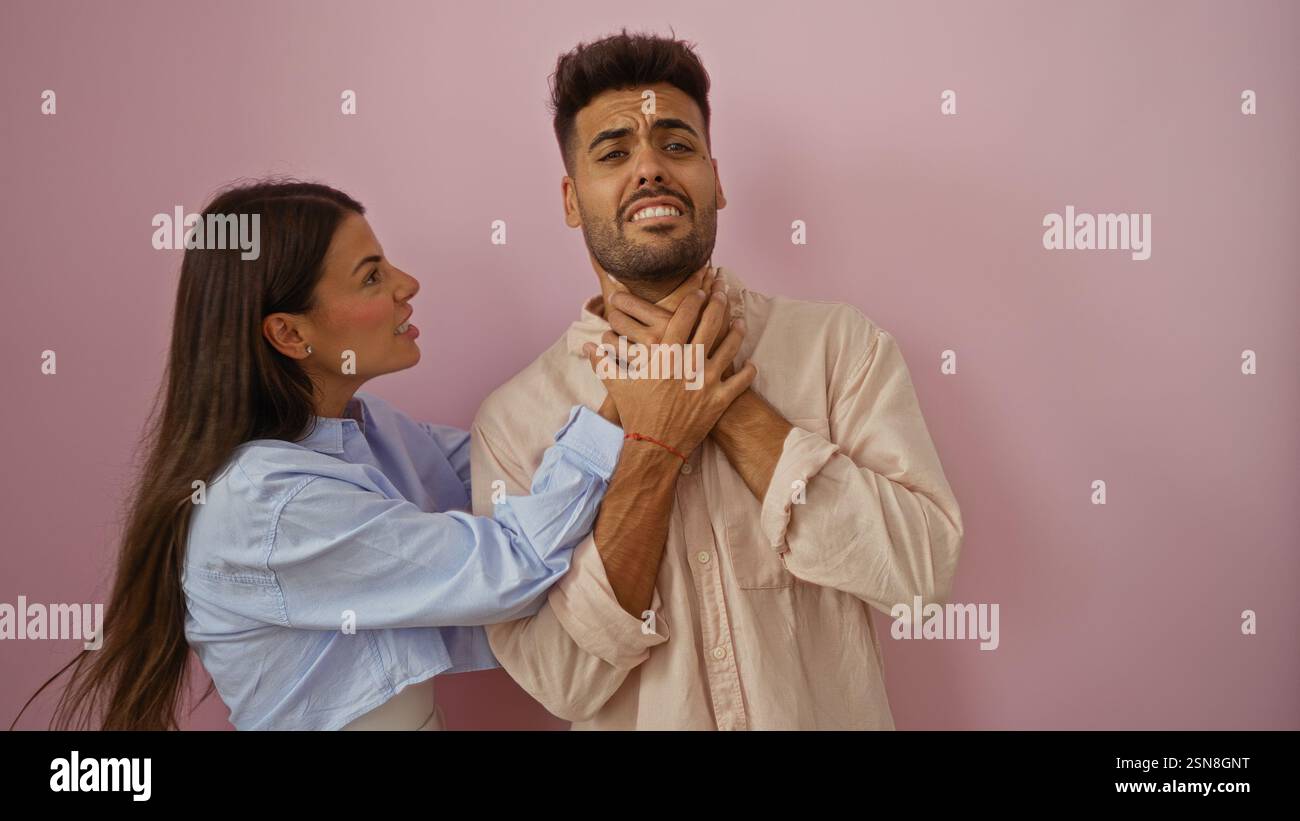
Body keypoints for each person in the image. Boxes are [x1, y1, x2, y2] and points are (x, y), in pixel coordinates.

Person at [12, 178, 751, 731]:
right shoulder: (266, 506)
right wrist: (629, 397)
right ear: (290, 335)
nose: (407, 285)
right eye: (371, 276)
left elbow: (517, 474)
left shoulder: (373, 434)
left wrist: (626, 365)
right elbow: (513, 564)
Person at [470, 31, 965, 729]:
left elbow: (919, 578)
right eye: (613, 153)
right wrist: (655, 444)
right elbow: (558, 678)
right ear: (571, 198)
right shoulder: (514, 419)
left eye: (676, 145)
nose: (649, 168)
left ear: (716, 178)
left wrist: (720, 397)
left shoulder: (839, 346)